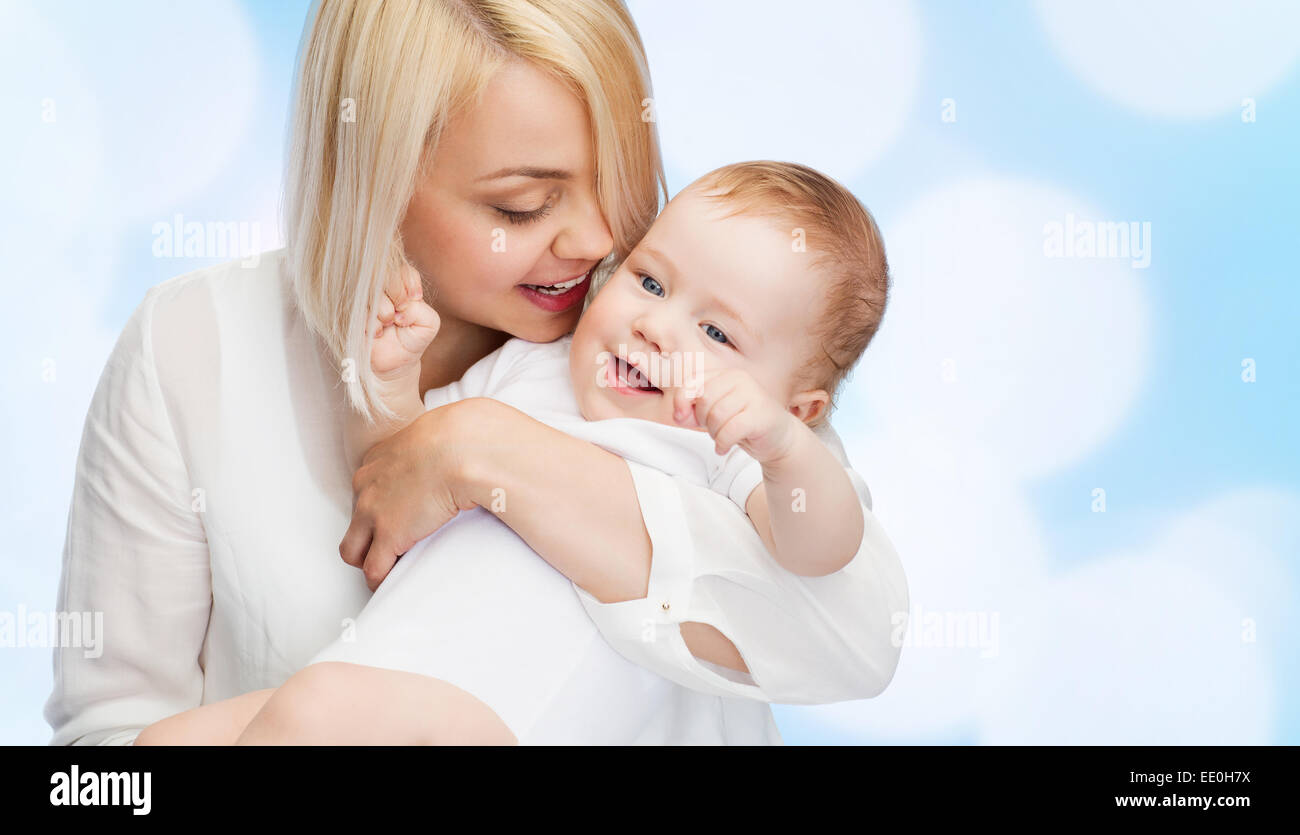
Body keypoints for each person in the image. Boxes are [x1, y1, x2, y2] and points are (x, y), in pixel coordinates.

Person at [46, 0, 907, 747]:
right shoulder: (192, 344)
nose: (599, 241)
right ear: (374, 178)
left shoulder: (724, 385)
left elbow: (854, 631)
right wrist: (396, 398)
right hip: (358, 690)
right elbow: (392, 478)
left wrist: (487, 451)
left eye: (618, 179)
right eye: (521, 206)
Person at [134, 160, 896, 745]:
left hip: (500, 710)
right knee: (166, 744)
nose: (657, 327)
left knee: (317, 708)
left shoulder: (727, 452)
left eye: (717, 332)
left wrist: (787, 451)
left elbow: (820, 552)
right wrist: (389, 384)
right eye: (651, 281)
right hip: (388, 664)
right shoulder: (532, 369)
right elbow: (396, 476)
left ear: (800, 408)